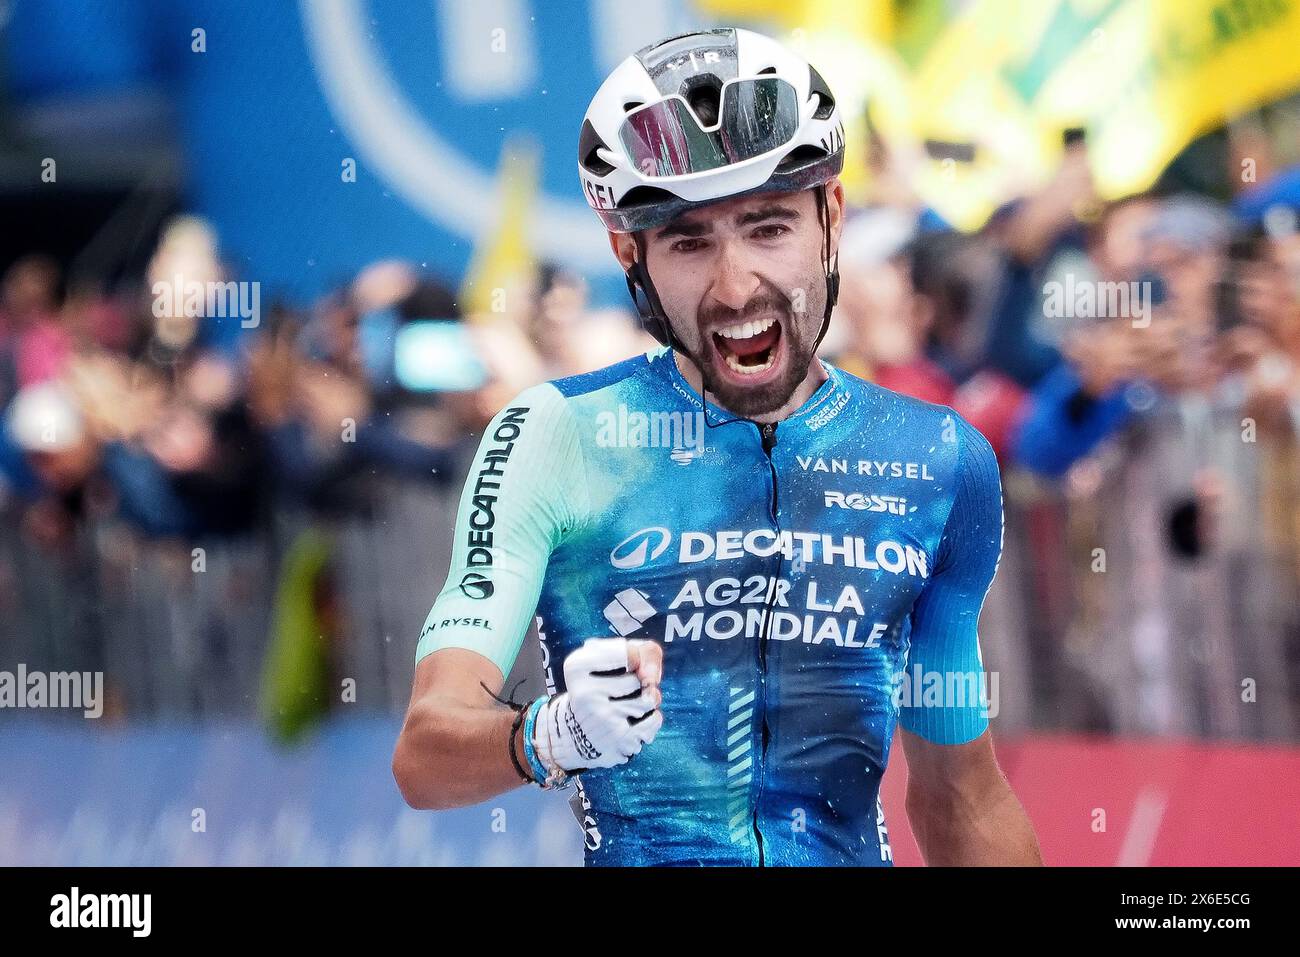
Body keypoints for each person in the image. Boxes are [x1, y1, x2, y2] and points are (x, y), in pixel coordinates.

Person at [394, 27, 1041, 866]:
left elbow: (963, 797)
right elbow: (424, 756)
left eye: (768, 227)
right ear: (630, 254)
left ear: (830, 218)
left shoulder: (937, 458)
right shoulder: (552, 436)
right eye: (690, 242)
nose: (736, 286)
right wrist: (548, 735)